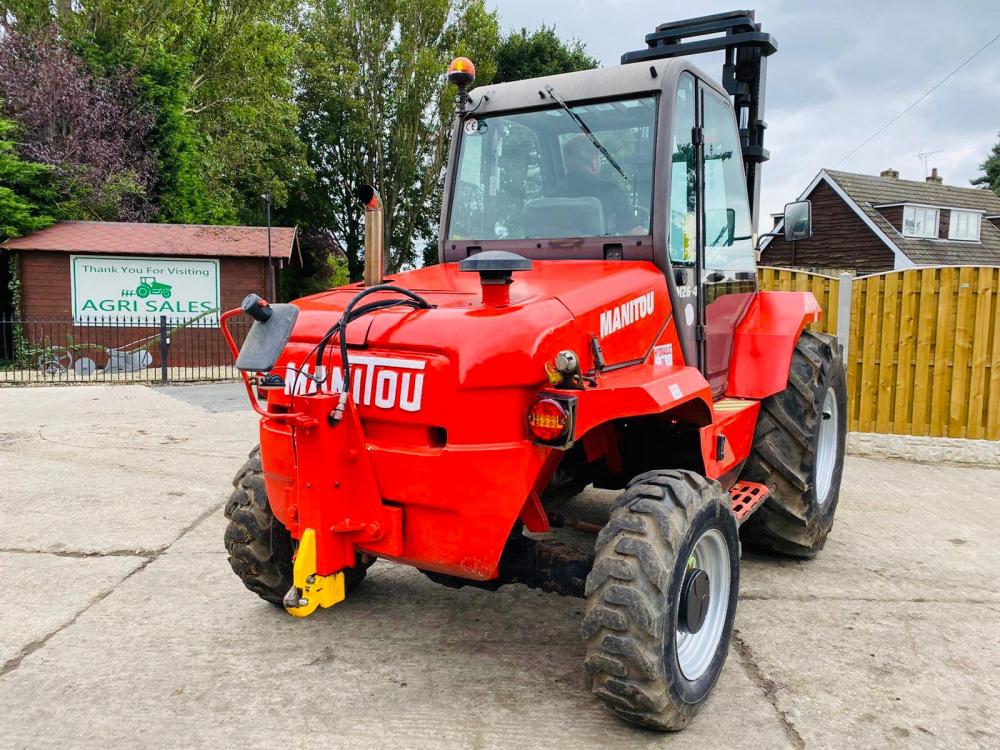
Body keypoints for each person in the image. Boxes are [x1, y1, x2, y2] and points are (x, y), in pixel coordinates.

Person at [560, 134, 643, 235]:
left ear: (566, 165)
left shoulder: (552, 196)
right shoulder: (610, 191)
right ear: (594, 162)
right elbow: (632, 233)